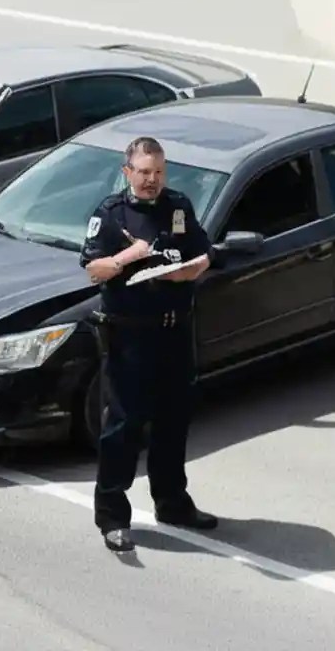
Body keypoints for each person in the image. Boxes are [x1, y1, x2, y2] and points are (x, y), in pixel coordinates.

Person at [79, 135, 218, 553]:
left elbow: (204, 252)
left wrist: (189, 271)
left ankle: (172, 502)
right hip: (130, 333)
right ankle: (112, 517)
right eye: (143, 173)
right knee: (124, 425)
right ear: (127, 173)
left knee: (174, 422)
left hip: (174, 330)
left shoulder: (178, 206)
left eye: (157, 172)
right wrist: (128, 257)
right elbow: (93, 270)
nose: (151, 180)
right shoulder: (110, 213)